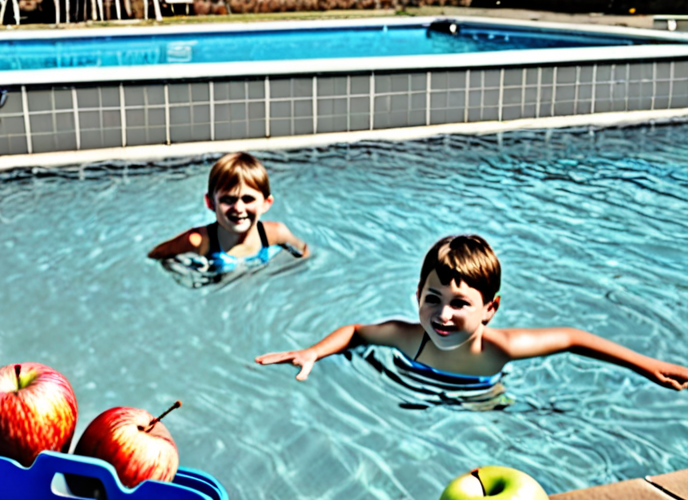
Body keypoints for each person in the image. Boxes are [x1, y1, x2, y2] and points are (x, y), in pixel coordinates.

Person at [256, 234, 688, 391]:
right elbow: (355, 332)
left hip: (482, 392)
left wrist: (648, 365)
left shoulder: (499, 350)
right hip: (416, 380)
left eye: (460, 303)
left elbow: (574, 338)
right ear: (417, 295)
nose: (443, 315)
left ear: (490, 309)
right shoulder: (410, 337)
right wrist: (315, 351)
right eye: (433, 299)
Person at [148, 152, 309, 272]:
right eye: (228, 200)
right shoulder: (199, 241)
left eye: (248, 199)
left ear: (266, 203)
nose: (239, 209)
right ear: (210, 203)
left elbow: (304, 253)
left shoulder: (275, 234)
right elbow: (156, 254)